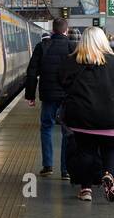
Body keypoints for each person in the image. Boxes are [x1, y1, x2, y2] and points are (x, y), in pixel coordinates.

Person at [58, 26, 114, 202]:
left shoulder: (71, 62)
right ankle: (108, 174)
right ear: (104, 42)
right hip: (112, 119)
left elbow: (62, 82)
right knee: (113, 149)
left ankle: (86, 190)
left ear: (82, 42)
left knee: (85, 151)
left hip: (81, 119)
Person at [24, 18, 76, 178]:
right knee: (67, 131)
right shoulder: (72, 47)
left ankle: (48, 166)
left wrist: (30, 95)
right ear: (66, 31)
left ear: (53, 30)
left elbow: (32, 72)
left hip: (48, 95)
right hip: (68, 97)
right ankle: (66, 170)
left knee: (46, 127)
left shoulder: (42, 46)